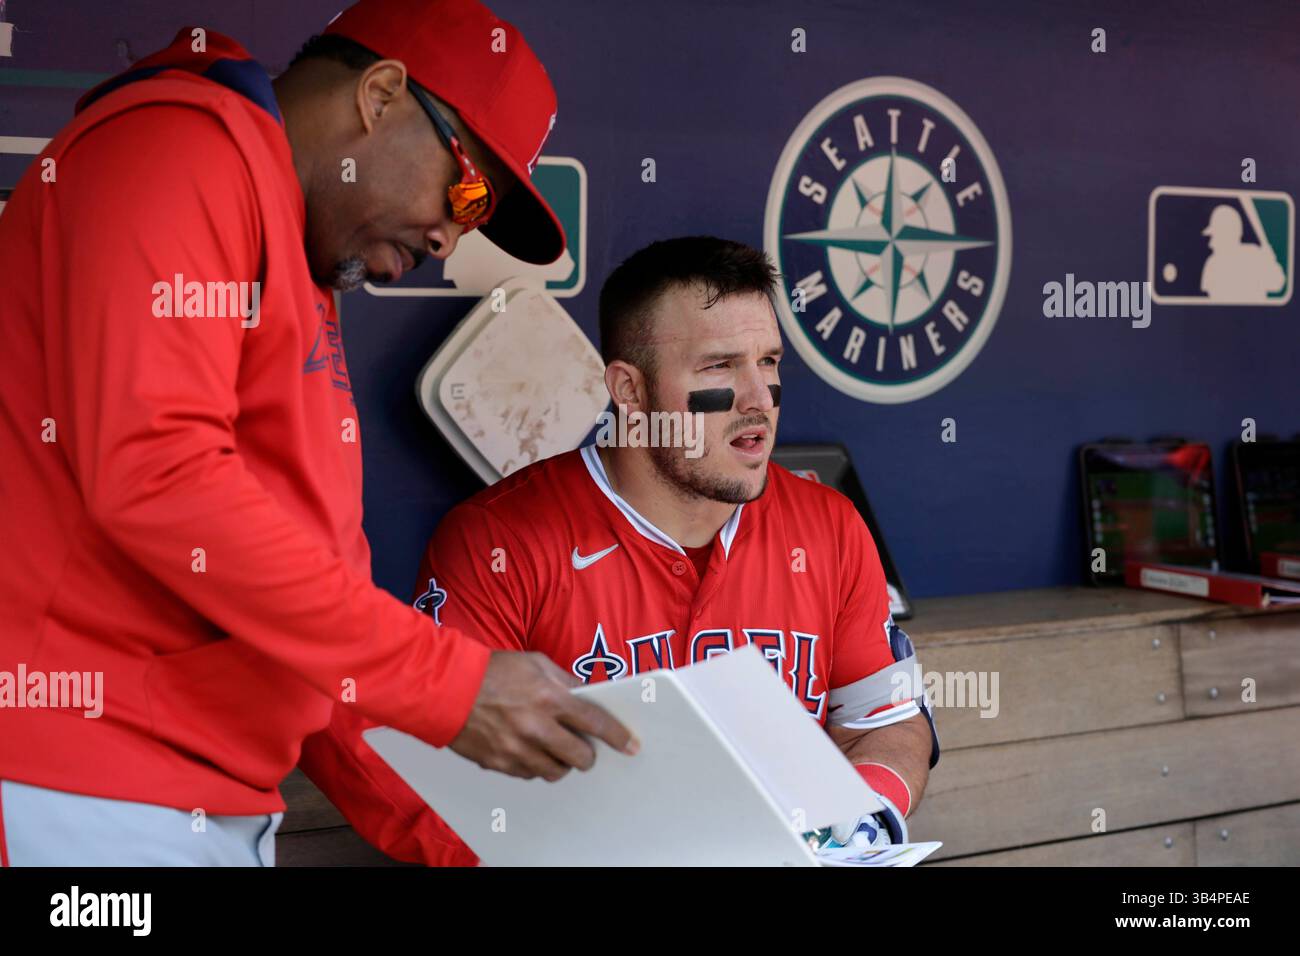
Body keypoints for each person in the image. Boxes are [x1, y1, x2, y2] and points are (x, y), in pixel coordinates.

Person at [0, 0, 632, 867]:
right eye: (467, 190)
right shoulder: (178, 145)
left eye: (476, 219)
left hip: (199, 807)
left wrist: (489, 855)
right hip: (74, 785)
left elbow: (319, 649)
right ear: (380, 94)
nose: (451, 237)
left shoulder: (301, 272)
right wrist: (451, 683)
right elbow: (158, 476)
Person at [317, 236, 941, 865]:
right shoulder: (499, 541)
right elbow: (427, 767)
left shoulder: (828, 527)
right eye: (720, 367)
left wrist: (858, 822)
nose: (759, 398)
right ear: (630, 391)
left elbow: (885, 719)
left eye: (770, 362)